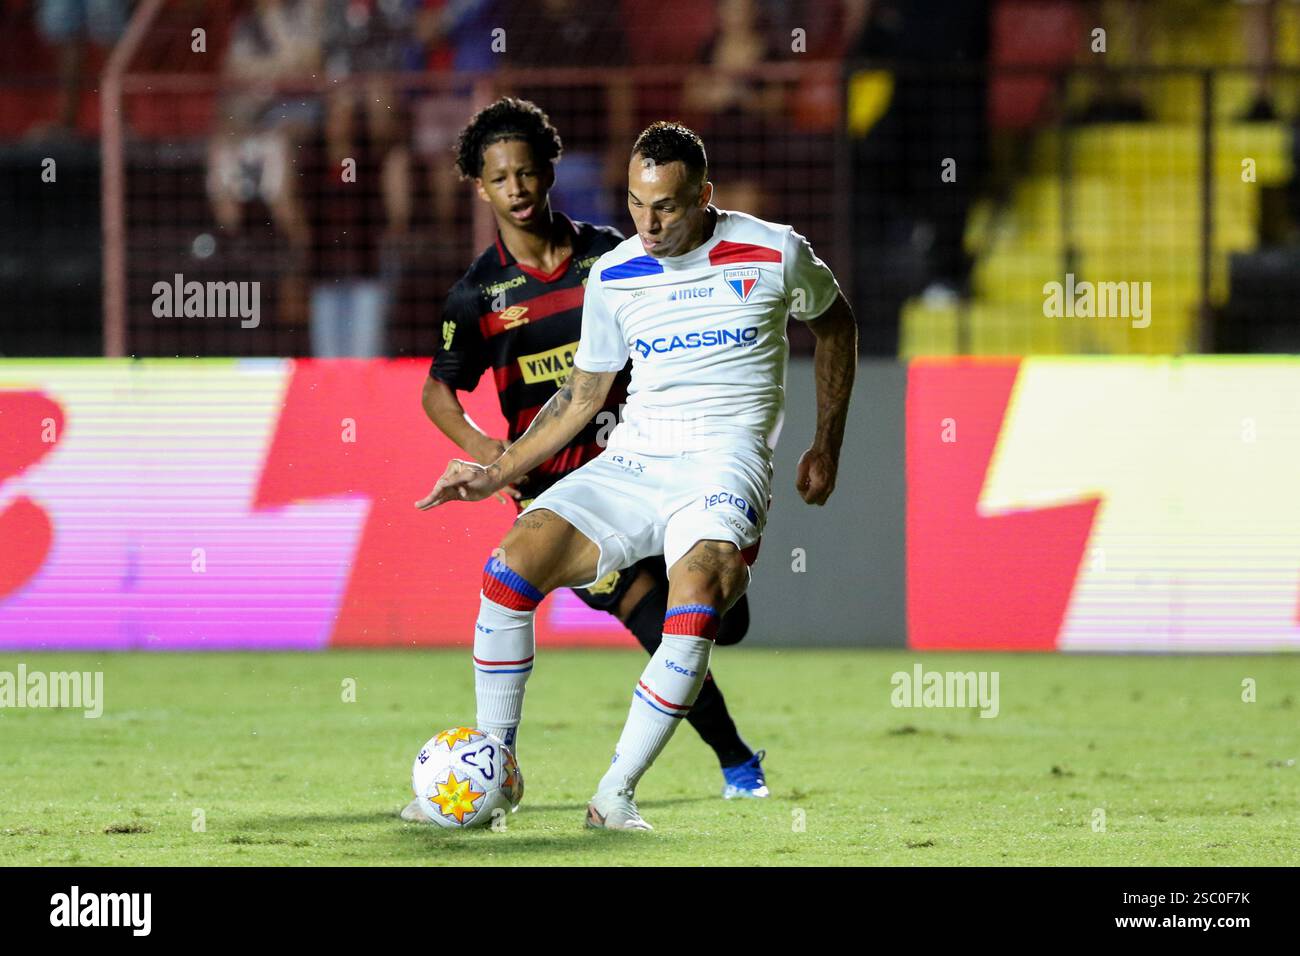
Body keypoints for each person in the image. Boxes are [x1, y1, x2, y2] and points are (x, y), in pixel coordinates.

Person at [415, 121, 857, 830]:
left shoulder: (773, 250)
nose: (647, 224)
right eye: (635, 203)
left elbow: (836, 325)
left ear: (704, 196)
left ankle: (614, 796)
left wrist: (826, 443)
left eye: (667, 208)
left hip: (724, 458)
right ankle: (497, 770)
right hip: (633, 458)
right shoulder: (617, 273)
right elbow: (580, 399)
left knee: (698, 591)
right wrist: (498, 473)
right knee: (510, 567)